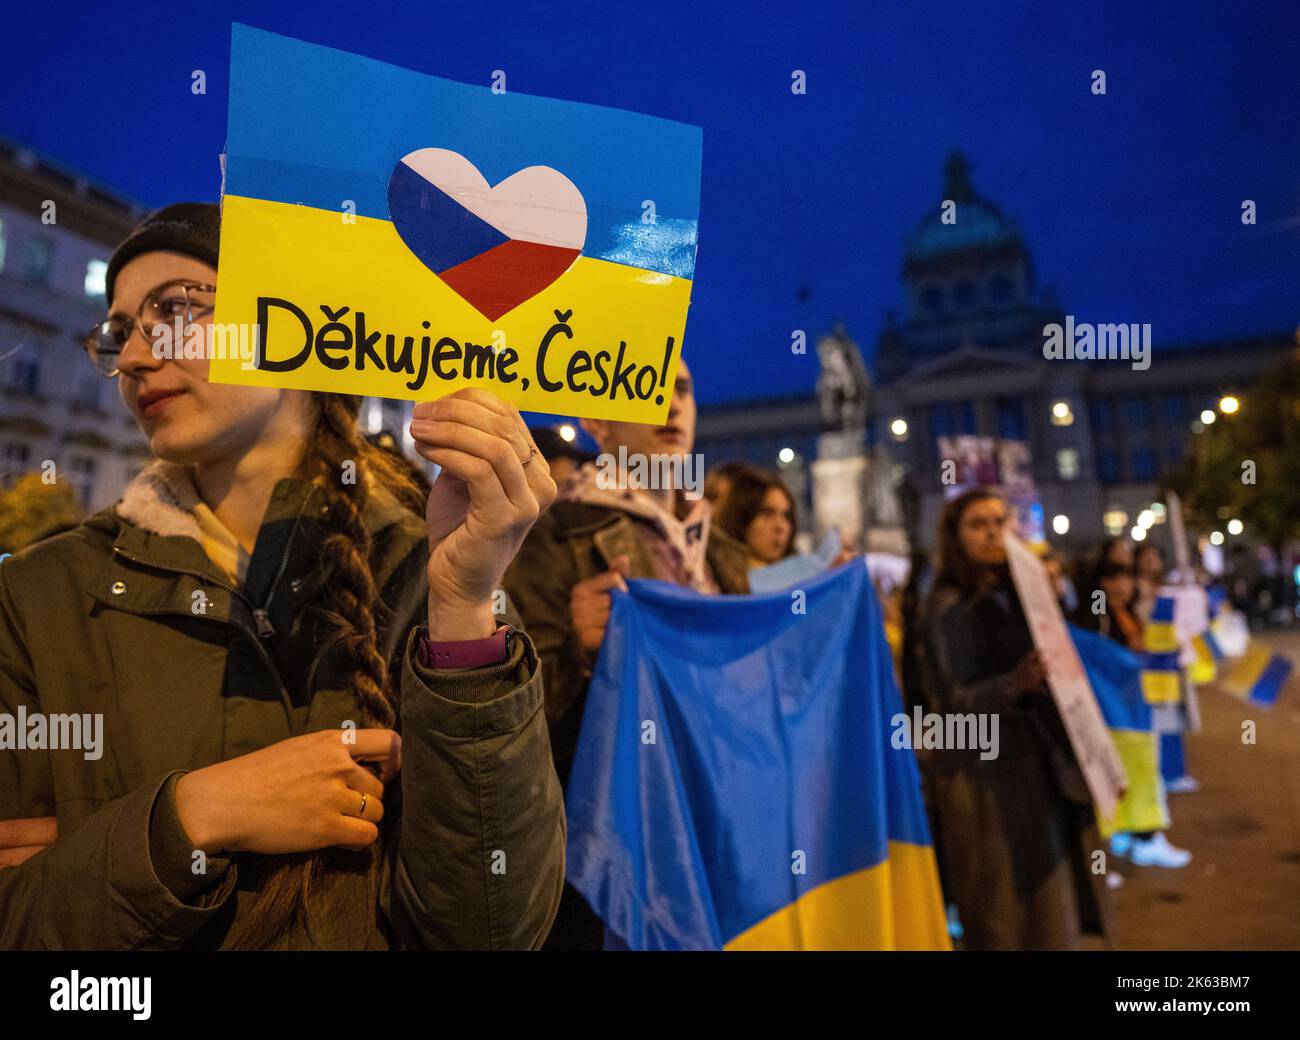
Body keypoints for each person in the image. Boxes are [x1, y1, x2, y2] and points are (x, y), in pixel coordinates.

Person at [0, 203, 565, 950]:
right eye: (119, 331)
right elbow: (21, 919)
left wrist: (462, 610)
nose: (134, 359)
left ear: (291, 321)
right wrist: (195, 815)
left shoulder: (423, 576)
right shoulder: (40, 597)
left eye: (172, 311)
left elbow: (491, 930)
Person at [503, 358, 750, 948]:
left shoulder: (725, 553)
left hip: (715, 829)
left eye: (684, 390)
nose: (671, 405)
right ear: (598, 422)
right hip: (618, 851)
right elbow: (510, 721)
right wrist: (582, 654)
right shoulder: (551, 535)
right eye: (649, 391)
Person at [919, 488, 1110, 950]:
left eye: (1000, 522)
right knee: (1006, 907)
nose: (992, 533)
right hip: (989, 780)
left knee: (1050, 900)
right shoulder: (949, 605)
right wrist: (1014, 683)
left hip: (1037, 768)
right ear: (954, 536)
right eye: (978, 524)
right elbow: (953, 704)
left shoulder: (1016, 591)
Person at [714, 469, 797, 568]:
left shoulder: (804, 576)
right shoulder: (712, 578)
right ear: (740, 520)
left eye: (786, 516)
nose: (780, 526)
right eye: (768, 514)